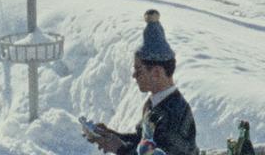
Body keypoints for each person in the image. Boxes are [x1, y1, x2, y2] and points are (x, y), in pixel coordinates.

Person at [84, 11, 196, 155]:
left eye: (139, 70)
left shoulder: (176, 114)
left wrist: (120, 148)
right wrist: (112, 136)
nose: (134, 75)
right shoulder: (154, 104)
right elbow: (142, 142)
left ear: (156, 72)